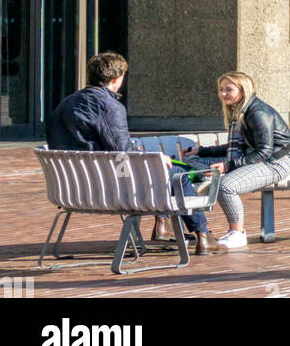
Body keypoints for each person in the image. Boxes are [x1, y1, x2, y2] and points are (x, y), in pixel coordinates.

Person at [45, 51, 220, 255]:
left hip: (71, 188)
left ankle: (164, 226)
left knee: (159, 170)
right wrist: (156, 159)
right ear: (116, 79)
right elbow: (123, 153)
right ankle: (203, 235)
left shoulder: (64, 104)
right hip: (109, 187)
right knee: (177, 177)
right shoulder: (110, 106)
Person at [180, 72, 290, 249]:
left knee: (226, 186)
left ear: (243, 90)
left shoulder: (257, 113)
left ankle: (237, 234)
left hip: (273, 163)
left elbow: (264, 152)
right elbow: (235, 147)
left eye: (229, 89)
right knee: (188, 167)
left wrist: (227, 166)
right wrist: (200, 151)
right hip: (251, 158)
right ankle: (203, 184)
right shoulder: (240, 111)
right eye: (221, 89)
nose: (223, 94)